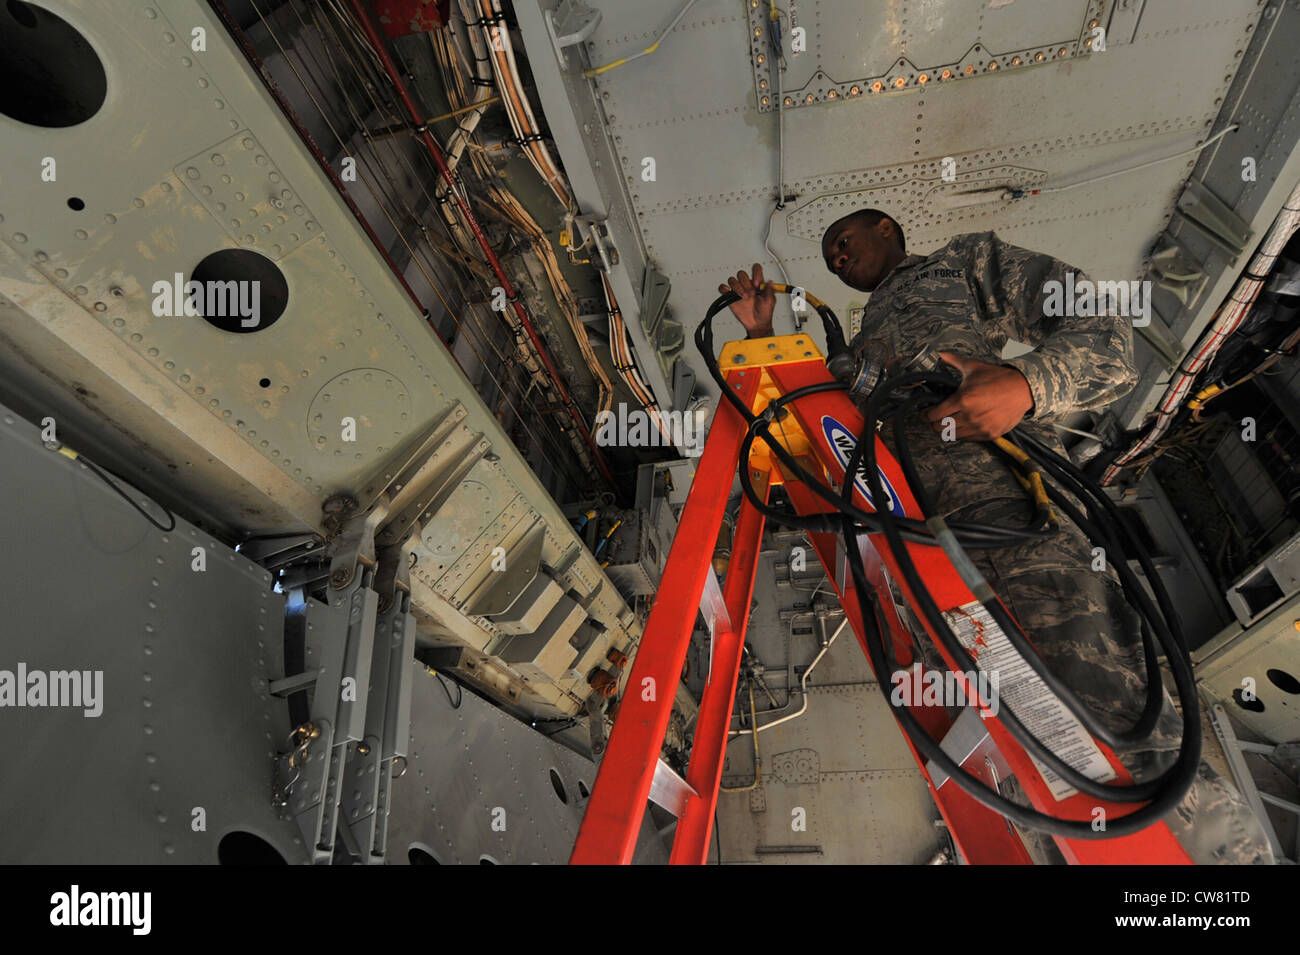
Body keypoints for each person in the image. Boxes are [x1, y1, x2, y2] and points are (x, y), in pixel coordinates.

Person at [718, 209, 1273, 864]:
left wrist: (1028, 385)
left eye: (845, 239)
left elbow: (1103, 331)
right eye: (829, 256)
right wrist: (761, 333)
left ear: (887, 228)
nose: (836, 257)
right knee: (1028, 768)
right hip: (923, 561)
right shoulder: (861, 347)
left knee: (1118, 721)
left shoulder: (962, 264)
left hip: (1015, 520)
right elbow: (823, 431)